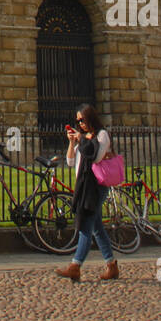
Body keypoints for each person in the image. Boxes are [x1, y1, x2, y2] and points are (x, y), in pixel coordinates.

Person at [56, 103, 118, 283]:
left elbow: (96, 156)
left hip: (96, 187)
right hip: (84, 186)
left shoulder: (101, 135)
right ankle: (111, 265)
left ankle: (75, 266)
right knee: (97, 228)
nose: (80, 123)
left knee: (86, 226)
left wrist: (82, 139)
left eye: (82, 120)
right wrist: (72, 142)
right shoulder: (84, 138)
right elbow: (70, 161)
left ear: (90, 118)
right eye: (77, 121)